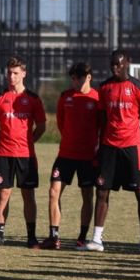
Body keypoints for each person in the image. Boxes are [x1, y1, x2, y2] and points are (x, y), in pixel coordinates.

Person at [83, 49, 140, 253]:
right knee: (102, 192)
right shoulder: (104, 87)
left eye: (119, 64)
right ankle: (96, 239)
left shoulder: (138, 88)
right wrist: (100, 144)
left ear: (128, 63)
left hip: (132, 147)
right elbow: (103, 118)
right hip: (109, 147)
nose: (115, 68)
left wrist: (138, 139)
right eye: (112, 64)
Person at [0, 57, 47, 247]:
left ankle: (31, 236)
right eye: (9, 73)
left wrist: (28, 142)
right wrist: (4, 141)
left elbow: (42, 126)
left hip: (26, 156)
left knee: (28, 195)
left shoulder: (33, 99)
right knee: (3, 194)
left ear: (23, 74)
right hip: (4, 155)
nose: (11, 77)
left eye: (15, 73)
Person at [41, 62, 100, 250]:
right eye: (73, 79)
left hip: (88, 157)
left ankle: (82, 236)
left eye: (79, 78)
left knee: (87, 195)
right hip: (65, 154)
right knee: (53, 192)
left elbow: (101, 126)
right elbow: (61, 122)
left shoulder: (98, 98)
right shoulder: (65, 97)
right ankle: (54, 236)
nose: (75, 82)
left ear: (89, 77)